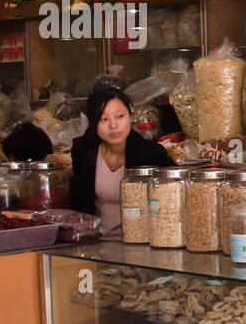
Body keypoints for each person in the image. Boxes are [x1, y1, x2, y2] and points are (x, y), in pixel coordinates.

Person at [69, 87, 172, 239]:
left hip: (140, 245)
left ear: (130, 117)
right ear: (93, 123)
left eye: (119, 116)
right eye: (104, 119)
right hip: (94, 244)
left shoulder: (152, 155)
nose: (113, 126)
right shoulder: (83, 152)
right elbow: (80, 204)